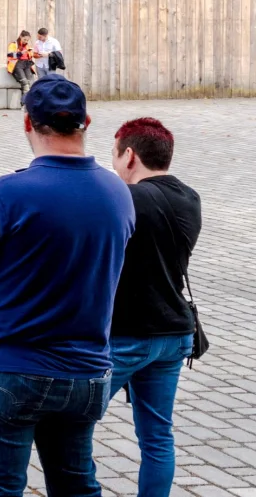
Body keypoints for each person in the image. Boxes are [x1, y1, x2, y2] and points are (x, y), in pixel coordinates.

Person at [0, 74, 134, 497]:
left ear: (27, 123)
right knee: (76, 486)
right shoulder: (118, 193)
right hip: (87, 373)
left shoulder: (9, 193)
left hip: (10, 369)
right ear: (87, 122)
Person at [106, 117, 202, 497]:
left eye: (114, 156)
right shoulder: (190, 197)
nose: (113, 165)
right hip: (174, 335)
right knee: (157, 439)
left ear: (130, 155)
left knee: (71, 425)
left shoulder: (125, 199)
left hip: (128, 336)